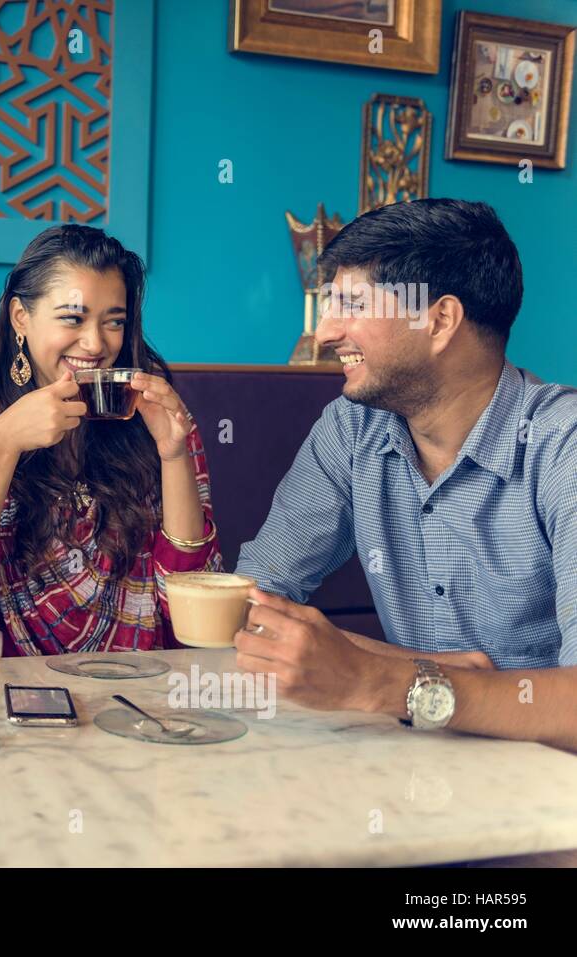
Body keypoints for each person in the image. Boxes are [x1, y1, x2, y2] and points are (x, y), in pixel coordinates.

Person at [235, 198, 577, 750]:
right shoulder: (353, 428)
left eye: (351, 304)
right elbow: (256, 597)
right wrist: (430, 670)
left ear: (438, 320)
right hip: (418, 771)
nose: (325, 332)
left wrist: (380, 680)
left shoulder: (564, 446)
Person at [0, 224, 221, 655]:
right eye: (73, 319)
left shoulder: (159, 425)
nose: (96, 343)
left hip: (143, 694)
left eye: (113, 322)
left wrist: (174, 456)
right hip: (11, 696)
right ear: (21, 318)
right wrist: (1, 444)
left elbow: (191, 606)